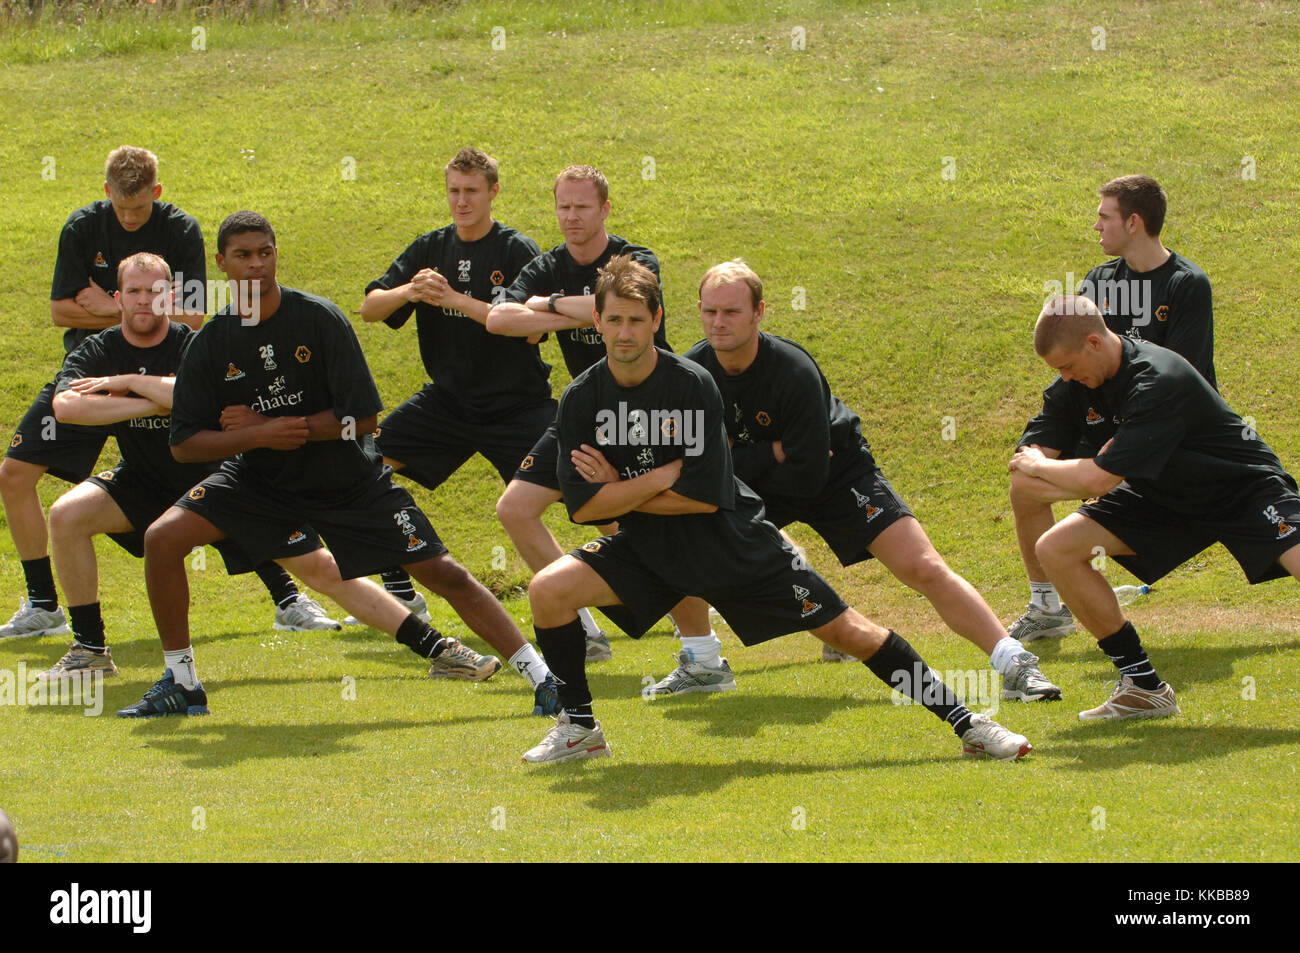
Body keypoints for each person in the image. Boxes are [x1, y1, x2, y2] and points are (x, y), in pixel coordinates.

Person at [521, 256, 1032, 763]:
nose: (624, 332)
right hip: (649, 547)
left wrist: (623, 486)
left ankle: (970, 724)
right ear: (596, 322)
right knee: (548, 591)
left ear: (657, 320)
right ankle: (580, 728)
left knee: (847, 631)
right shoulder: (582, 399)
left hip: (731, 541)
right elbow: (585, 507)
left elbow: (702, 495)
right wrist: (660, 475)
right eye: (613, 320)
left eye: (636, 320)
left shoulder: (693, 383)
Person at [118, 212, 556, 718]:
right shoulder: (213, 339)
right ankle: (183, 682)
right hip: (261, 479)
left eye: (265, 251)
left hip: (348, 480)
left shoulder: (318, 318)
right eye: (242, 255)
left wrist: (275, 422)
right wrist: (259, 435)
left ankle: (544, 678)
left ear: (276, 253)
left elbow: (364, 418)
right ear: (221, 263)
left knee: (443, 572)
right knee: (162, 537)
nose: (256, 264)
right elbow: (185, 443)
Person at [665, 261, 1059, 702]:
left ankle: (1015, 663)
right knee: (676, 529)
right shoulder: (690, 376)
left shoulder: (792, 369)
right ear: (699, 310)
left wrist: (740, 456)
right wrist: (774, 451)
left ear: (759, 312)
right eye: (710, 312)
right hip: (764, 483)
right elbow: (697, 464)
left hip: (838, 474)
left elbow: (808, 472)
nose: (719, 323)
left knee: (923, 567)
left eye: (732, 312)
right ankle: (702, 663)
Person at [0, 145, 337, 641]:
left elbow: (191, 318)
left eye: (140, 207)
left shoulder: (180, 230)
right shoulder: (81, 227)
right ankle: (43, 605)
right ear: (105, 192)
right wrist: (128, 319)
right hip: (97, 369)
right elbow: (60, 313)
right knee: (13, 474)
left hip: (163, 363)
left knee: (210, 472)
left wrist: (113, 308)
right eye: (121, 207)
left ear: (156, 194)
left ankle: (289, 597)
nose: (131, 216)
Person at [1009, 295, 1300, 721]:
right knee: (1056, 548)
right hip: (1159, 495)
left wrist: (1058, 469)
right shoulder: (1072, 387)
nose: (1065, 377)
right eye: (1058, 371)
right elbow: (1024, 480)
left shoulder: (1157, 378)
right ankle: (1144, 689)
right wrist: (1074, 470)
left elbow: (1094, 481)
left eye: (1067, 366)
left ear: (1094, 342)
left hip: (1241, 488)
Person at [39, 253, 267, 679]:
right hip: (140, 481)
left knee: (313, 566)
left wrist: (125, 389)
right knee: (65, 514)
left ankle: (301, 603)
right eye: (134, 291)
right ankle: (91, 651)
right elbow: (67, 405)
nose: (144, 300)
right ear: (118, 298)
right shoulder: (101, 348)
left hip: (214, 481)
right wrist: (154, 402)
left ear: (171, 296)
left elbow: (211, 396)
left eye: (154, 291)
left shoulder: (192, 342)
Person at [1009, 175, 1215, 642]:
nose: (1096, 226)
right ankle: (1047, 607)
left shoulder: (1186, 284)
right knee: (1026, 484)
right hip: (1100, 413)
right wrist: (1041, 440)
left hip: (1168, 429)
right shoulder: (1099, 282)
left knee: (1261, 523)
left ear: (1135, 222)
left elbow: (1185, 373)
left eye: (1105, 216)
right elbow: (1076, 362)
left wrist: (1117, 448)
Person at [487, 165, 674, 661]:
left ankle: (811, 608)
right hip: (586, 415)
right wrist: (576, 306)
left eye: (582, 207)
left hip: (653, 407)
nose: (571, 217)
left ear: (605, 209)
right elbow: (499, 317)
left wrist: (546, 308)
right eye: (563, 206)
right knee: (515, 508)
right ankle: (586, 630)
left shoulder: (634, 257)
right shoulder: (549, 263)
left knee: (699, 522)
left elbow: (630, 302)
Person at [355, 148, 550, 620]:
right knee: (364, 467)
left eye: (471, 191)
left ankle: (664, 597)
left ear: (493, 192)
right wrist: (409, 291)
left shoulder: (515, 250)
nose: (461, 201)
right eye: (454, 191)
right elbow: (370, 308)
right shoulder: (430, 247)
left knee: (597, 498)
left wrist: (455, 299)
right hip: (448, 404)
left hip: (517, 406)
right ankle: (401, 581)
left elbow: (533, 328)